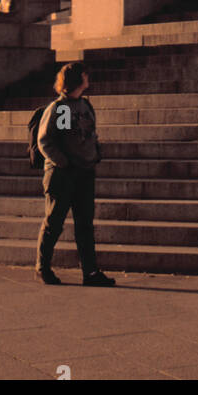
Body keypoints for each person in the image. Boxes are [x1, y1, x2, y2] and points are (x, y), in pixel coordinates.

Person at [34, 63, 115, 287]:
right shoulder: (61, 108)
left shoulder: (85, 105)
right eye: (84, 75)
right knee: (54, 222)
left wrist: (96, 152)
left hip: (85, 172)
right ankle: (43, 268)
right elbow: (50, 140)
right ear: (77, 80)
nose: (88, 77)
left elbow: (90, 134)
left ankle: (90, 272)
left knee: (85, 225)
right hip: (64, 174)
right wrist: (64, 162)